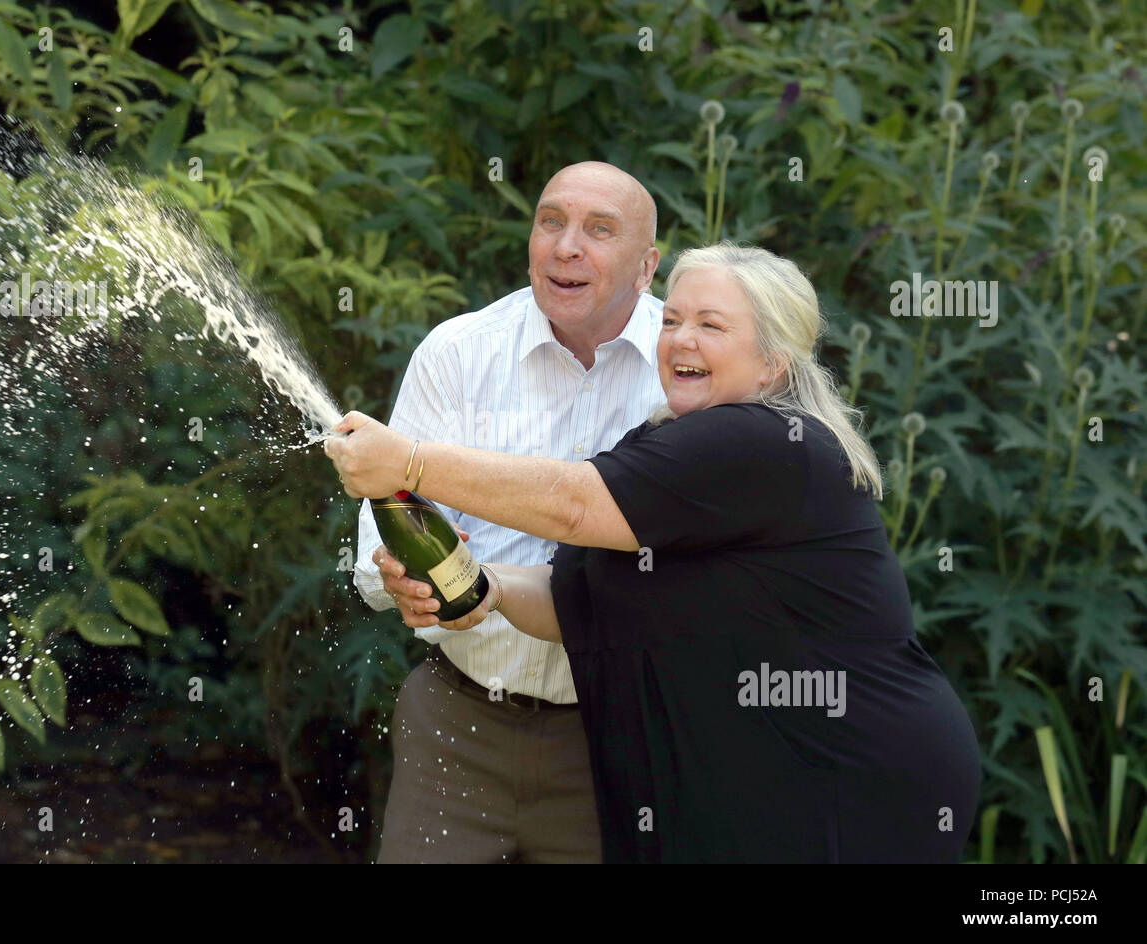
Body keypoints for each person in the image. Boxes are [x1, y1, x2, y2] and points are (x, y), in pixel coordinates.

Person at [328, 241, 982, 863]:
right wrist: (481, 585)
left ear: (772, 363)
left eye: (711, 324)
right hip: (760, 769)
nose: (680, 339)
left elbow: (573, 505)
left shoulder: (767, 441)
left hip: (851, 768)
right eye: (671, 320)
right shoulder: (670, 438)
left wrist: (407, 460)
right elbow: (578, 595)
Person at [352, 161, 664, 862]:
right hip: (457, 729)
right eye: (550, 220)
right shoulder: (459, 353)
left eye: (598, 229)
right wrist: (399, 579)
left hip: (617, 743)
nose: (565, 246)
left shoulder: (685, 366)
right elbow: (376, 545)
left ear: (646, 266)